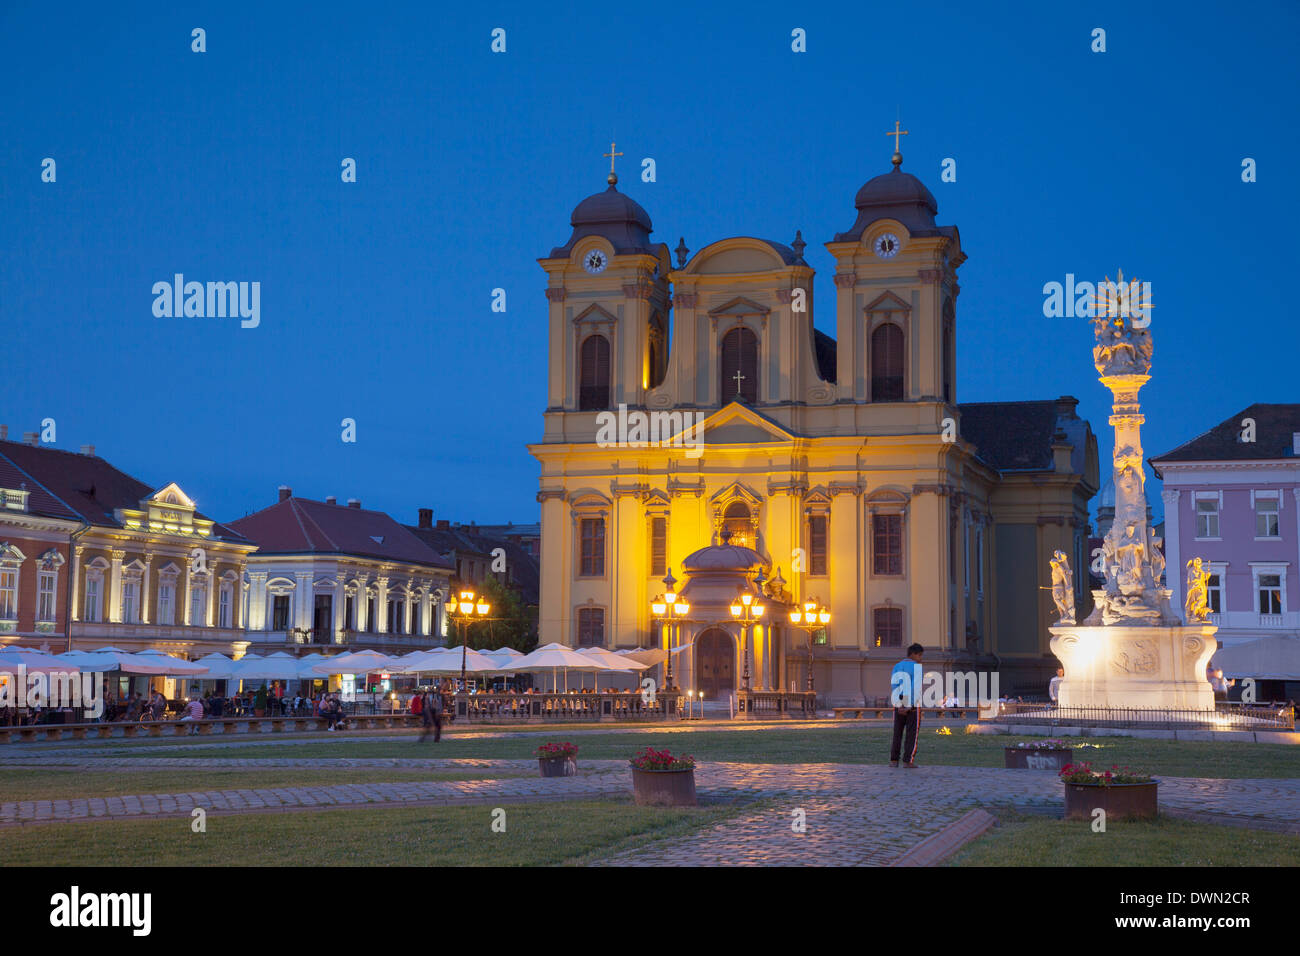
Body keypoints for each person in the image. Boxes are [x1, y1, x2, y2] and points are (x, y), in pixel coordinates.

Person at [889, 643, 924, 768]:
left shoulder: (897, 666)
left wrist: (899, 705)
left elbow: (894, 685)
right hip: (912, 702)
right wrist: (910, 705)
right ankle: (908, 760)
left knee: (897, 732)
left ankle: (894, 760)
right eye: (920, 655)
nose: (921, 658)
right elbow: (916, 687)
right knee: (912, 733)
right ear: (913, 654)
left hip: (898, 698)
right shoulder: (917, 668)